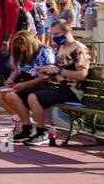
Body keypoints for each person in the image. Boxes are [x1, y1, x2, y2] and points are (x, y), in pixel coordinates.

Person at [19, 13, 91, 145]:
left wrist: (58, 70)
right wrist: (47, 69)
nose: (54, 38)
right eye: (53, 35)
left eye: (57, 34)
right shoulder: (61, 48)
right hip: (57, 85)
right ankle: (26, 128)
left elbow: (82, 75)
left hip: (72, 90)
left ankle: (42, 133)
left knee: (33, 97)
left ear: (67, 31)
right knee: (19, 94)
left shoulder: (80, 49)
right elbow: (57, 69)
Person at [0, 31, 57, 141]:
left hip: (43, 85)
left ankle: (26, 126)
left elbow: (47, 77)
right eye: (19, 46)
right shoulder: (23, 53)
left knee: (10, 95)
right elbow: (17, 70)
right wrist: (10, 79)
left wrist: (24, 85)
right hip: (26, 82)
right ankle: (19, 119)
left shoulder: (44, 52)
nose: (21, 48)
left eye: (23, 45)